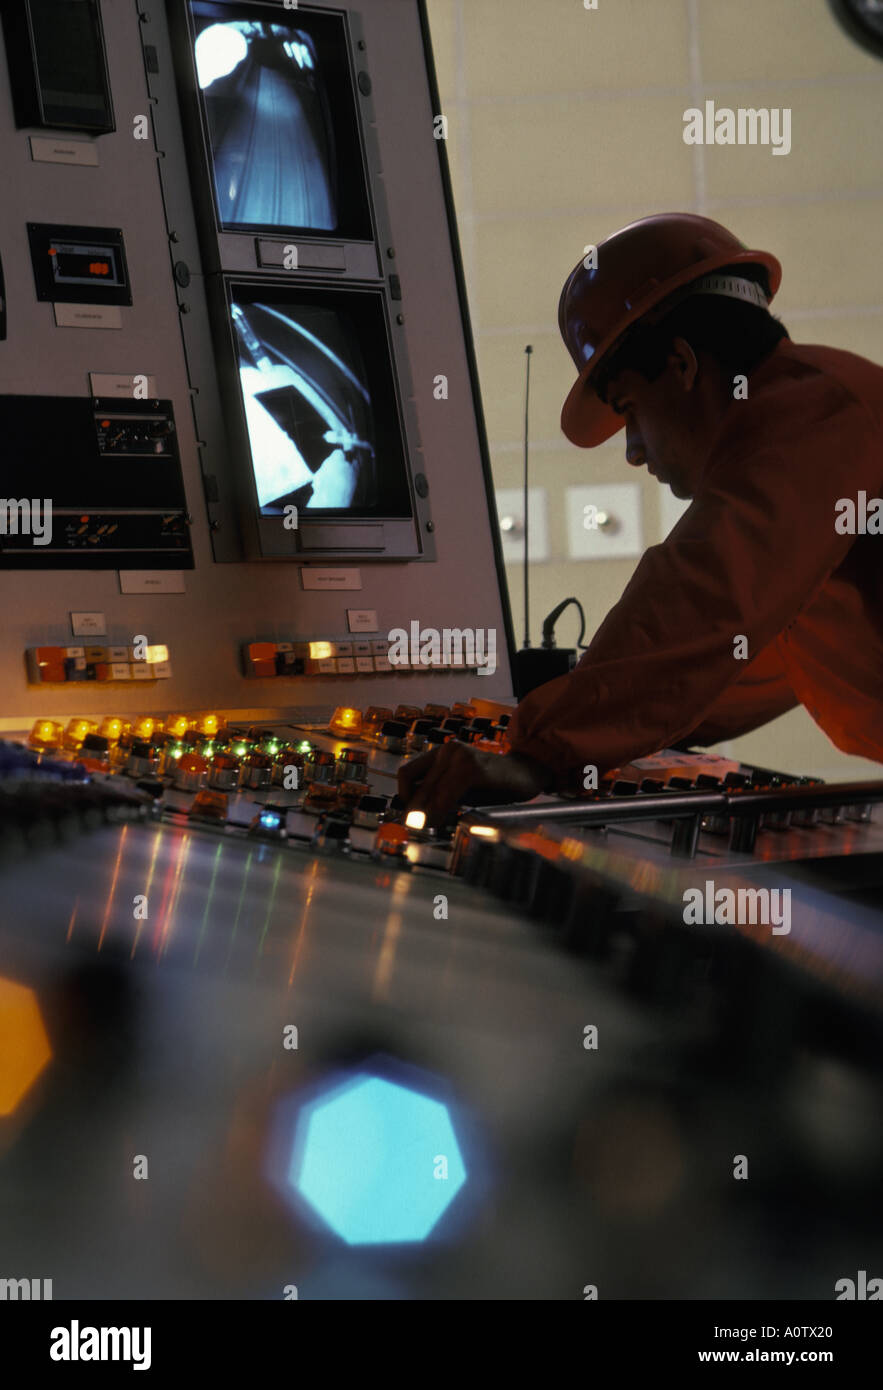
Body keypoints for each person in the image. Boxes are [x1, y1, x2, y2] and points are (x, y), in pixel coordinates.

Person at [398, 212, 883, 826]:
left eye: (628, 409)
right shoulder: (822, 409)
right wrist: (573, 712)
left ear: (680, 366)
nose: (631, 449)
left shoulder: (816, 415)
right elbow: (739, 660)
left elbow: (709, 593)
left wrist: (542, 752)